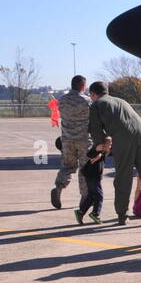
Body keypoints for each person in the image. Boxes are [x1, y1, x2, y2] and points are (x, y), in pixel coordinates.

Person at [88, 80, 141, 226]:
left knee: (123, 177)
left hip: (123, 138)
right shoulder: (121, 101)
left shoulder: (96, 104)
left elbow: (95, 130)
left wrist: (99, 148)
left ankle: (122, 216)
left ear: (93, 94)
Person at [51, 75, 91, 209]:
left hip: (67, 140)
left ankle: (58, 187)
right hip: (84, 140)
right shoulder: (87, 101)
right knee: (85, 169)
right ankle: (84, 197)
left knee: (67, 166)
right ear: (83, 86)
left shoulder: (62, 100)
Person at [74, 138, 110, 225]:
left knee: (91, 195)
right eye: (109, 144)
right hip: (92, 176)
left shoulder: (104, 151)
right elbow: (89, 154)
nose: (110, 146)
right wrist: (96, 149)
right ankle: (95, 214)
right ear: (103, 145)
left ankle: (80, 212)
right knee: (99, 195)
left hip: (92, 175)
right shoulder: (98, 149)